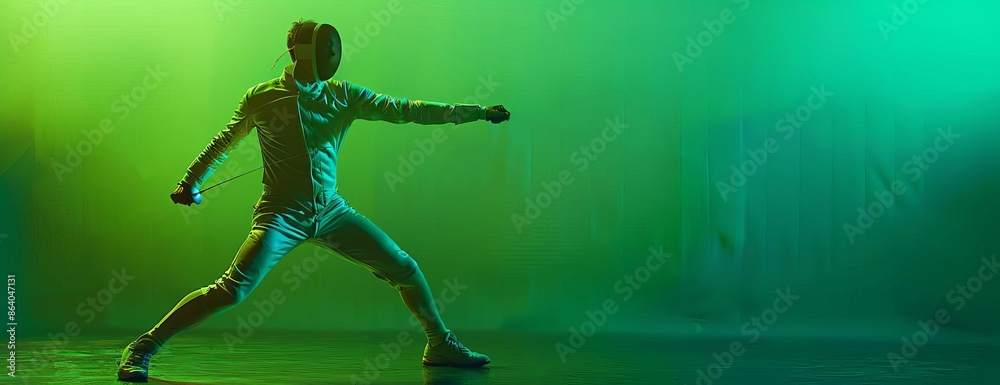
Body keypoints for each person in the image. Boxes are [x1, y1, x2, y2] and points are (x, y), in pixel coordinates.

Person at [116, 19, 510, 382]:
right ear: (299, 53)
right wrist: (189, 182)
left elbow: (407, 110)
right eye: (324, 47)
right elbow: (224, 142)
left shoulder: (343, 95)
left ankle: (439, 344)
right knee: (231, 290)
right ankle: (142, 347)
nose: (332, 56)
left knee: (404, 267)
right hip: (280, 215)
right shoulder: (262, 97)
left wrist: (475, 112)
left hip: (332, 212)